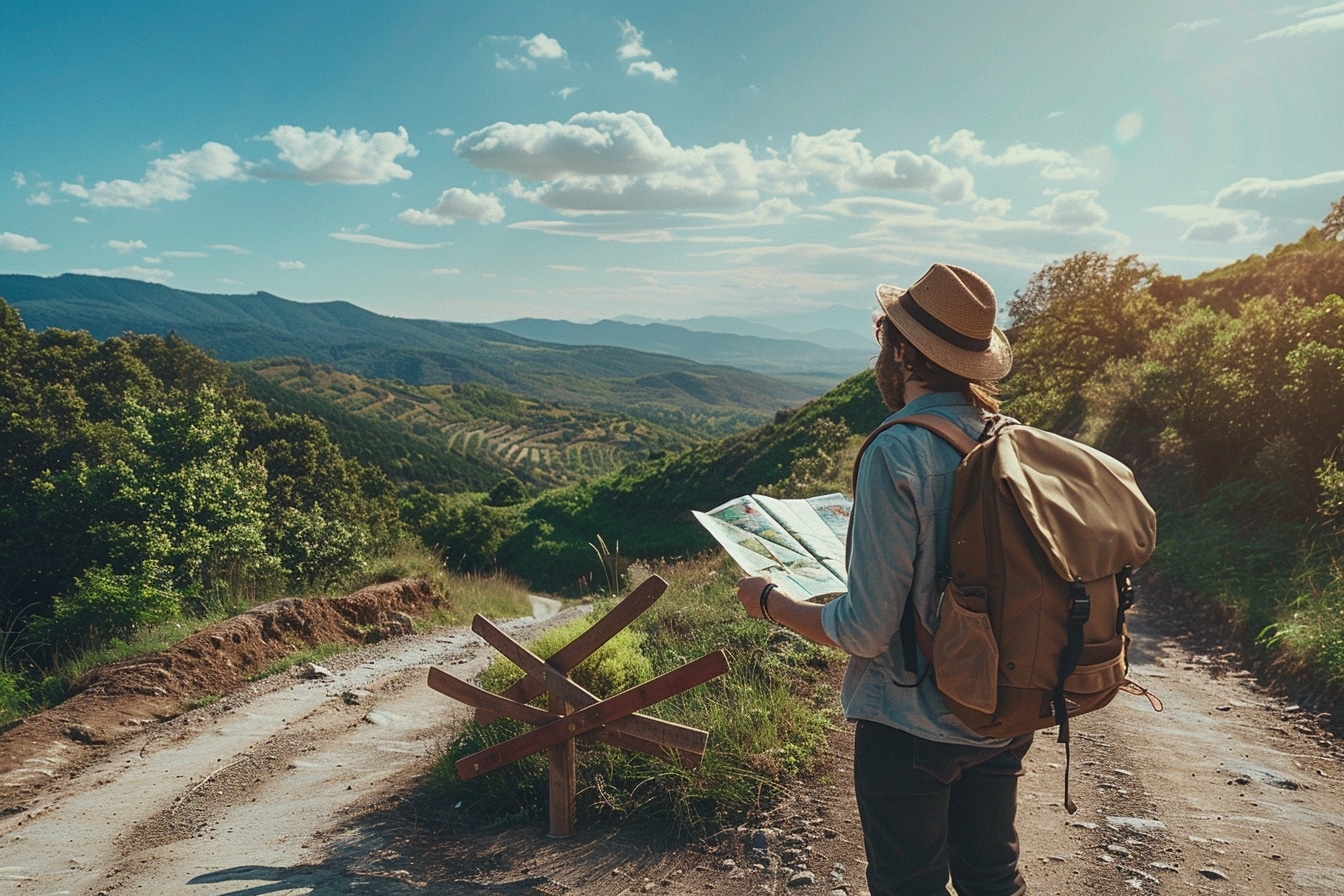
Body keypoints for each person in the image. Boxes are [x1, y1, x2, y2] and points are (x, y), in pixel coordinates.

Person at [736, 263, 1032, 896]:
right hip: (1004, 708)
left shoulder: (897, 450)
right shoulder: (1009, 439)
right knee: (993, 877)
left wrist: (769, 601)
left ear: (901, 351)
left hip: (912, 723)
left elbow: (865, 631)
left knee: (910, 885)